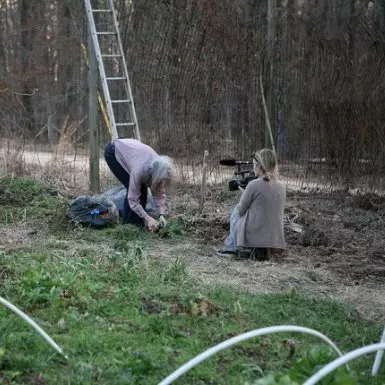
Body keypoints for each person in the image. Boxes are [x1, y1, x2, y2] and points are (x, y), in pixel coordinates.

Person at [219, 148, 286, 259]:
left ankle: (230, 248)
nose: (253, 168)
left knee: (234, 210)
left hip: (254, 240)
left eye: (254, 165)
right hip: (276, 242)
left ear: (260, 166)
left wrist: (244, 195)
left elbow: (241, 211)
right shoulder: (282, 186)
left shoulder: (253, 185)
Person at [104, 138, 174, 232]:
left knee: (142, 189)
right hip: (113, 151)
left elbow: (159, 192)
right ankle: (129, 227)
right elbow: (133, 200)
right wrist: (148, 218)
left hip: (133, 152)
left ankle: (138, 223)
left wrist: (161, 214)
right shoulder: (139, 171)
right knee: (134, 189)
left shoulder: (161, 168)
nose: (160, 183)